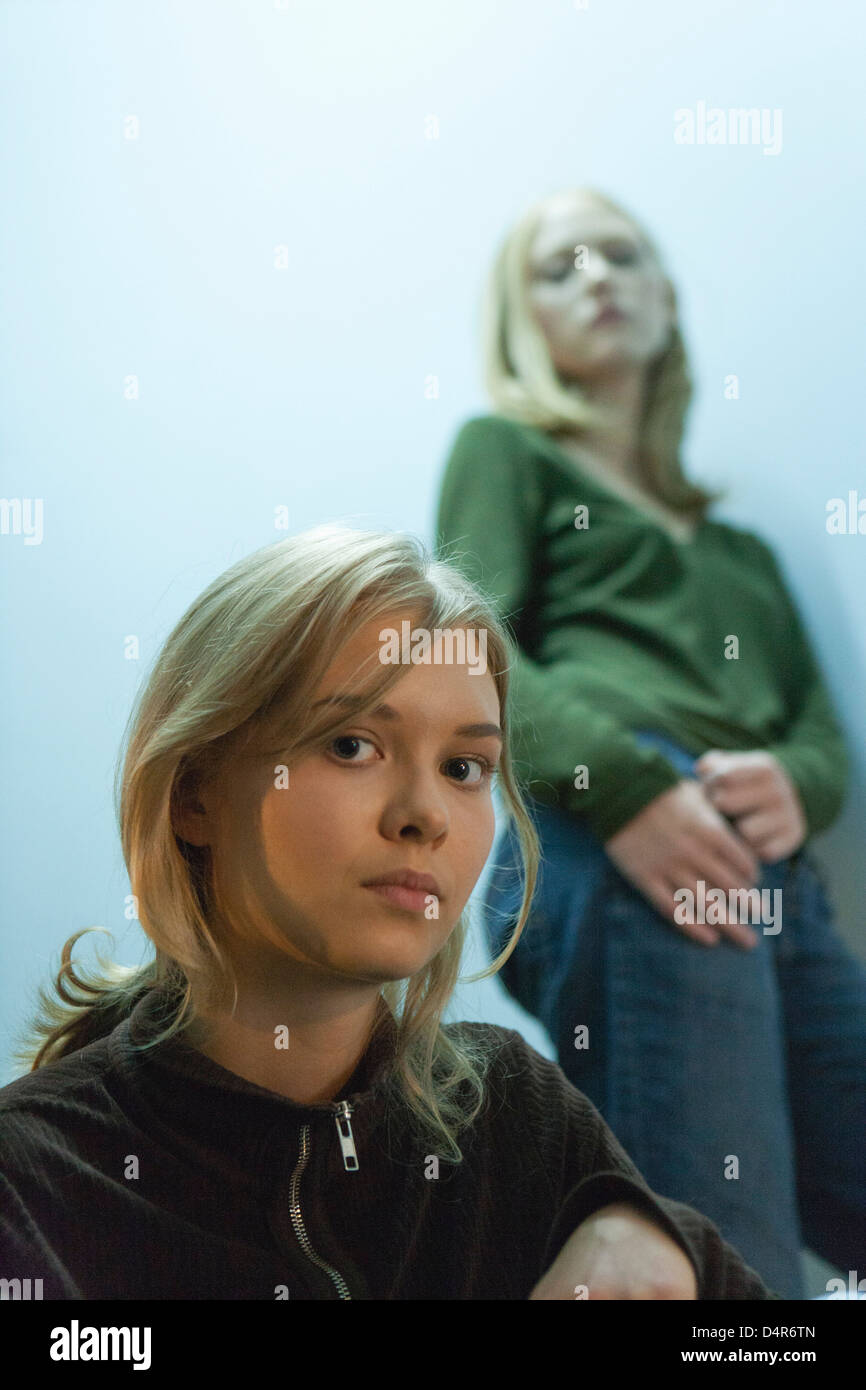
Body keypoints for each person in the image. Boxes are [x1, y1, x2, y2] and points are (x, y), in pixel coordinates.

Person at [0, 523, 777, 1300]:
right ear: (193, 792)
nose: (425, 814)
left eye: (465, 767)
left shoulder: (514, 1114)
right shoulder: (32, 1181)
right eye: (351, 745)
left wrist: (659, 1242)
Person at [434, 187, 866, 1300]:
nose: (596, 279)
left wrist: (795, 784)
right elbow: (460, 639)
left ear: (665, 297)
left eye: (620, 255)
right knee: (733, 1241)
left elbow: (815, 731)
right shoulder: (506, 451)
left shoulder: (743, 552)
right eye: (558, 266)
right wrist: (623, 784)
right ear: (519, 316)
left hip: (770, 869)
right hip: (607, 826)